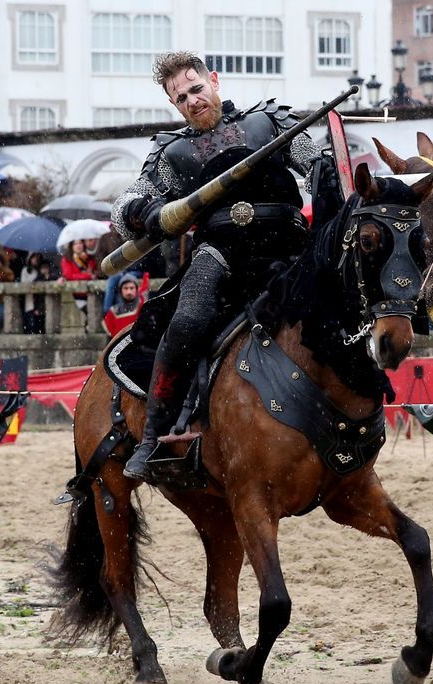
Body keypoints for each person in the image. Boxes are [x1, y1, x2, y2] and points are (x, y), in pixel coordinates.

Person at [113, 50, 334, 481]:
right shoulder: (172, 152)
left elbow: (319, 167)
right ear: (174, 105)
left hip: (288, 246)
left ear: (214, 80)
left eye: (196, 89)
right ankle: (154, 434)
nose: (192, 101)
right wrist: (151, 211)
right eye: (181, 98)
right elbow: (122, 210)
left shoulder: (268, 122)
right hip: (219, 252)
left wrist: (325, 177)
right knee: (187, 318)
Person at [102, 272, 149, 336]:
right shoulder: (113, 312)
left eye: (131, 288)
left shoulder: (142, 308)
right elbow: (112, 337)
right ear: (121, 290)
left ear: (136, 289)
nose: (129, 292)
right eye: (126, 288)